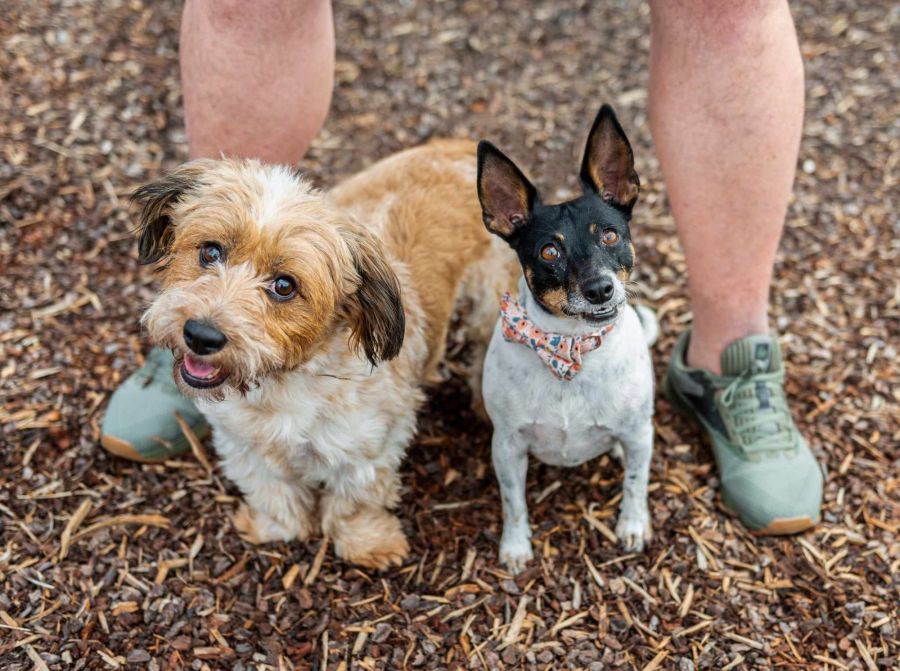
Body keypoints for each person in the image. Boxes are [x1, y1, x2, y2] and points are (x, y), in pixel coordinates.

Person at [101, 0, 822, 534]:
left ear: (358, 311)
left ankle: (729, 354)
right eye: (211, 253)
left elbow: (377, 433)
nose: (212, 310)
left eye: (281, 286)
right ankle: (230, 404)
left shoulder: (373, 322)